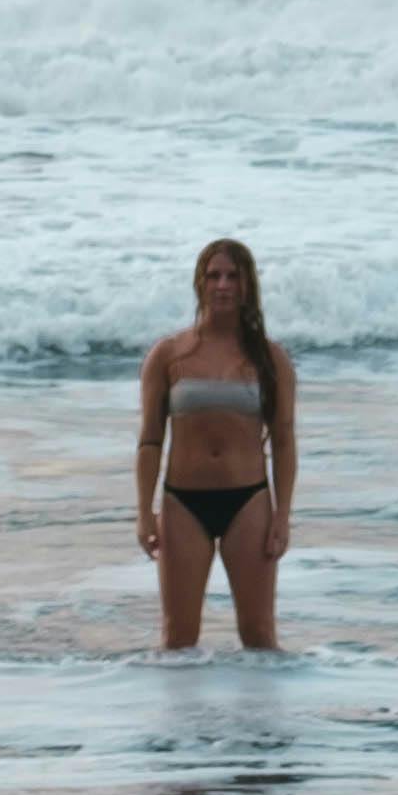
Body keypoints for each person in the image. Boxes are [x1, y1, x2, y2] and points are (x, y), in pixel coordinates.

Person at [134, 236, 297, 655]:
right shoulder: (168, 355)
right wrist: (143, 513)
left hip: (250, 501)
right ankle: (184, 723)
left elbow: (282, 440)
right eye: (213, 276)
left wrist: (282, 516)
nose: (222, 285)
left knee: (259, 636)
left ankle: (264, 721)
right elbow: (150, 440)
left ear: (247, 287)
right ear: (199, 284)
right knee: (178, 639)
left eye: (233, 277)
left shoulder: (270, 359)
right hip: (182, 504)